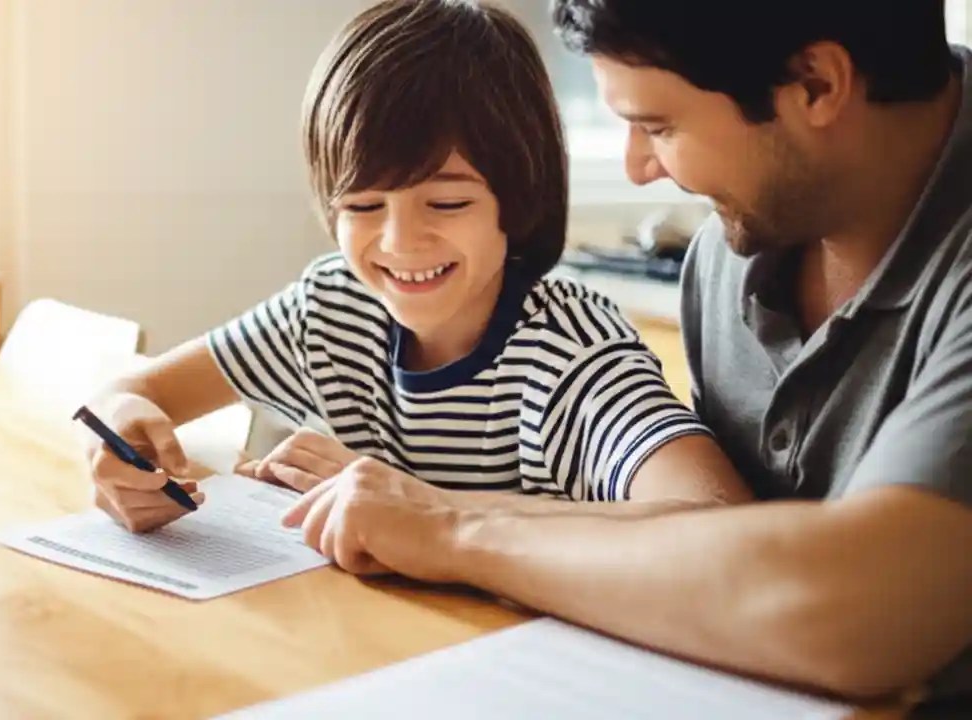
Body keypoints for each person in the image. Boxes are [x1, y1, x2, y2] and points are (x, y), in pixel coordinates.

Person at [284, 0, 972, 707]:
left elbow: (856, 612)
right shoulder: (729, 256)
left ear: (817, 85)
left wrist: (450, 528)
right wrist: (428, 515)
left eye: (658, 126)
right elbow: (710, 543)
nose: (638, 169)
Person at [83, 0, 751, 539]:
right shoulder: (332, 308)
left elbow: (713, 520)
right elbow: (129, 389)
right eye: (364, 204)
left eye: (447, 201)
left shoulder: (568, 349)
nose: (400, 241)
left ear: (516, 198)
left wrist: (421, 508)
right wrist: (125, 450)